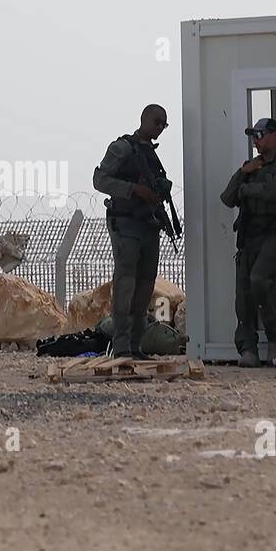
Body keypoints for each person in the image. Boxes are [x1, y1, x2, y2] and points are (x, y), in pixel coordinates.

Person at [220, 117, 276, 367]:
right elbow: (227, 197)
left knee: (259, 281)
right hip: (249, 237)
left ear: (275, 136)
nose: (256, 140)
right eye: (253, 136)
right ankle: (247, 348)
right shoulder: (251, 167)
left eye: (261, 134)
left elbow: (274, 193)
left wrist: (247, 190)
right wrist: (242, 174)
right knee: (243, 295)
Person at [93, 104, 173, 360]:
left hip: (148, 225)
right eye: (157, 122)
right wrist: (134, 190)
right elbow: (100, 180)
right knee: (126, 285)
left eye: (164, 124)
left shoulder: (150, 154)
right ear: (144, 120)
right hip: (126, 224)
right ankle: (122, 347)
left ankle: (136, 345)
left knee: (145, 286)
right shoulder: (122, 148)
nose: (160, 128)